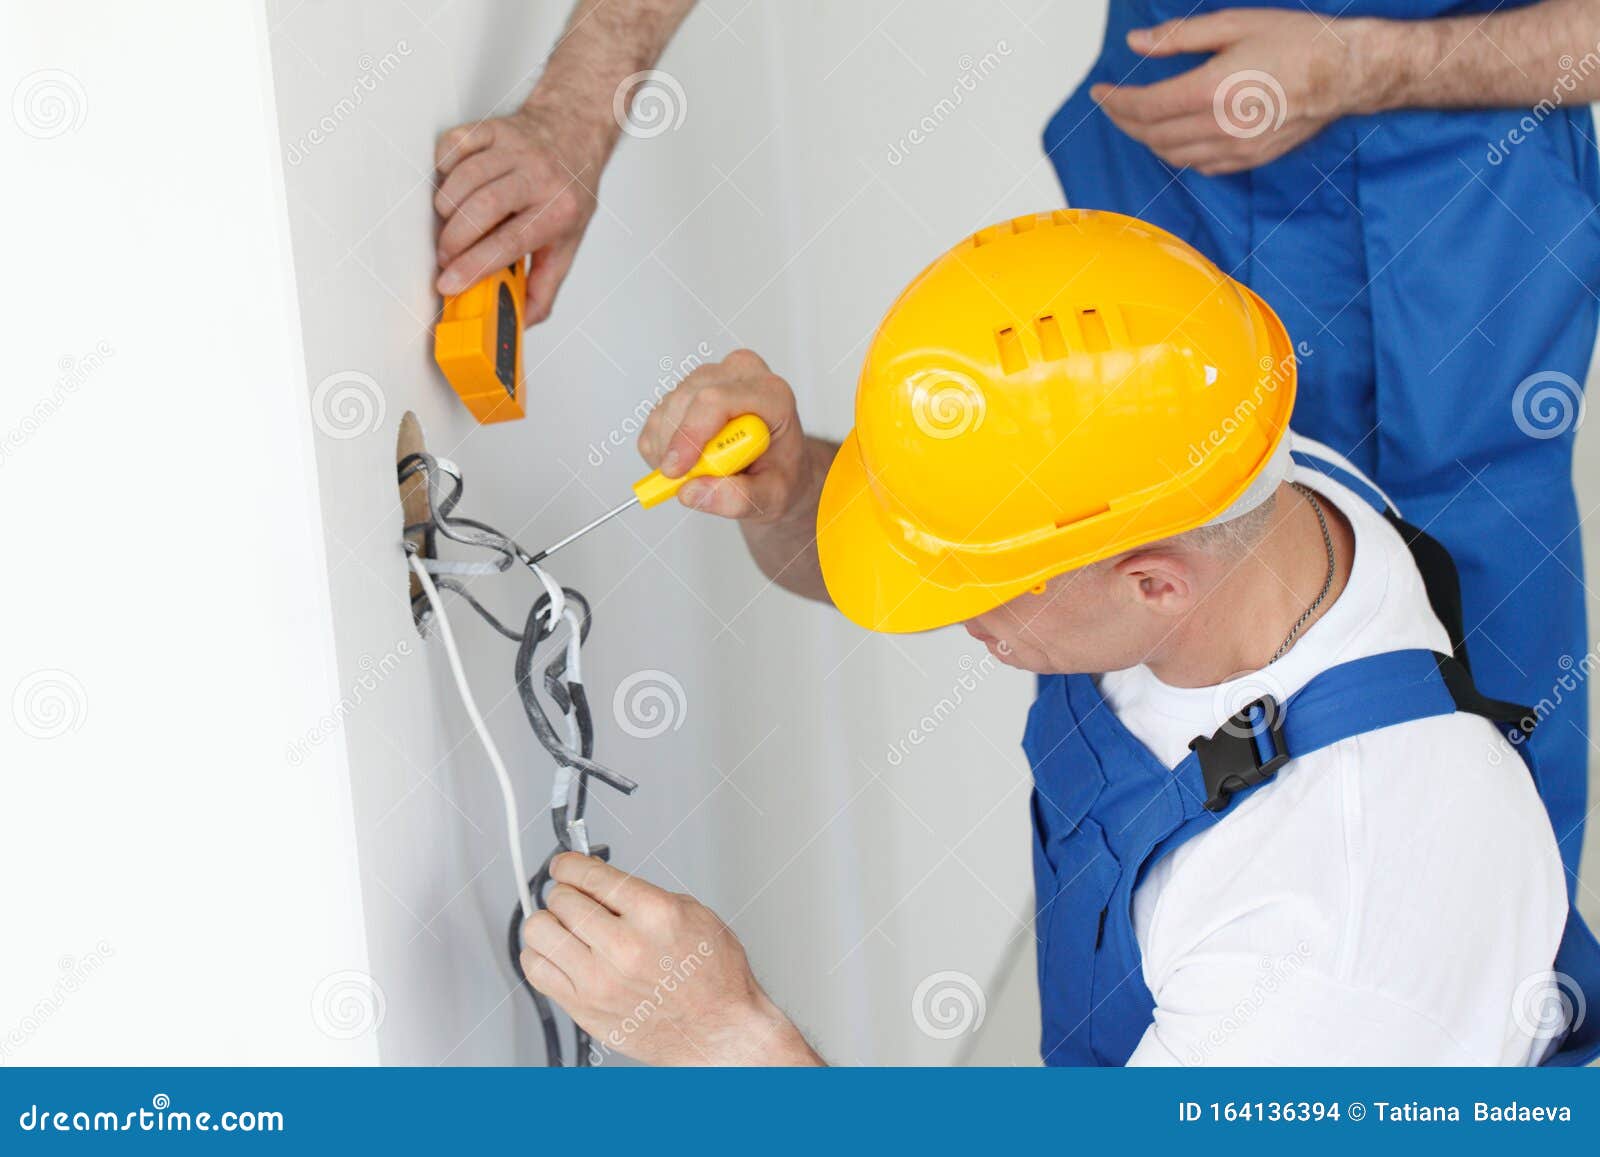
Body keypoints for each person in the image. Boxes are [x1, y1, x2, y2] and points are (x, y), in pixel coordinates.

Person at [436, 0, 1600, 879]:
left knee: (1459, 741)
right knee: (1096, 627)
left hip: (1462, 212)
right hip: (1185, 164)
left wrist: (1370, 67)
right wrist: (576, 114)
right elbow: (992, 552)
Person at [517, 212, 1600, 1065]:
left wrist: (731, 1045)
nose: (951, 614)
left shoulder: (1336, 922)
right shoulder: (1224, 474)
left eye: (973, 591)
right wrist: (797, 485)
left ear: (1154, 584)